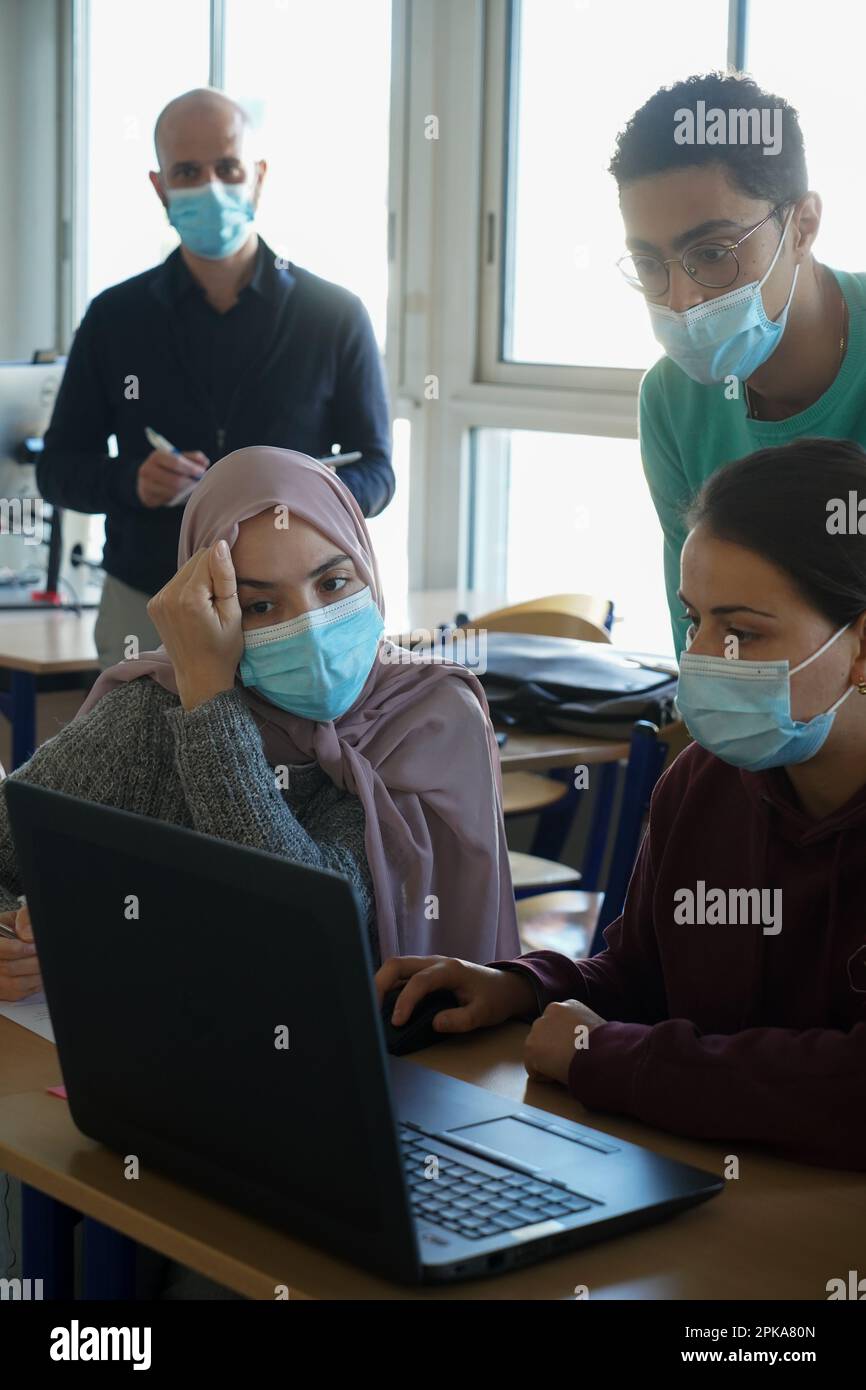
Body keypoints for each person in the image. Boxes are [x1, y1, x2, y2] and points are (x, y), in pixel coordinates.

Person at [375, 439, 866, 1171]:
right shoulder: (706, 780)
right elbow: (642, 977)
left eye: (741, 632)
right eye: (693, 619)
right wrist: (523, 987)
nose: (701, 656)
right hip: (711, 1183)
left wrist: (608, 1057)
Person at [0, 448, 519, 1002]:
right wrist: (8, 933)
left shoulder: (426, 721)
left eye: (333, 583)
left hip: (412, 1071)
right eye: (260, 607)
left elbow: (300, 929)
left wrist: (210, 707)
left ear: (367, 565)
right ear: (207, 609)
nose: (310, 628)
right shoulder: (149, 713)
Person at [38, 87, 393, 669]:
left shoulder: (334, 315)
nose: (210, 186)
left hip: (300, 616)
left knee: (304, 761)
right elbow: (57, 470)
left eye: (227, 167)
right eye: (187, 170)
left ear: (258, 176)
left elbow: (377, 472)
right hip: (148, 607)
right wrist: (132, 481)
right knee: (139, 762)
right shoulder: (114, 317)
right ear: (160, 187)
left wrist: (298, 497)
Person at [609, 71, 866, 655]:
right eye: (650, 264)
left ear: (802, 227)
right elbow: (700, 641)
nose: (681, 299)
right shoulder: (673, 401)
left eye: (712, 253)